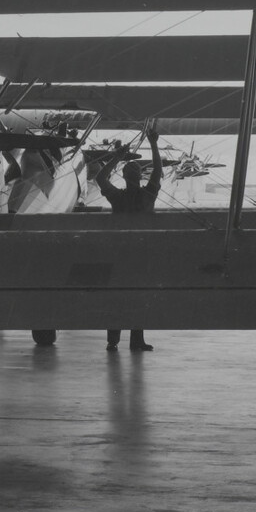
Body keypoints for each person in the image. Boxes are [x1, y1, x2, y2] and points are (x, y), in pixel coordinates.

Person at [100, 126, 163, 353]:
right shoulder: (147, 197)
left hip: (119, 254)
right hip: (140, 255)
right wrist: (153, 143)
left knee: (116, 297)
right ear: (138, 176)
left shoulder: (118, 198)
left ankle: (113, 340)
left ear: (125, 176)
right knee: (138, 296)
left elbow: (100, 177)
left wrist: (116, 158)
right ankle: (136, 340)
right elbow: (157, 170)